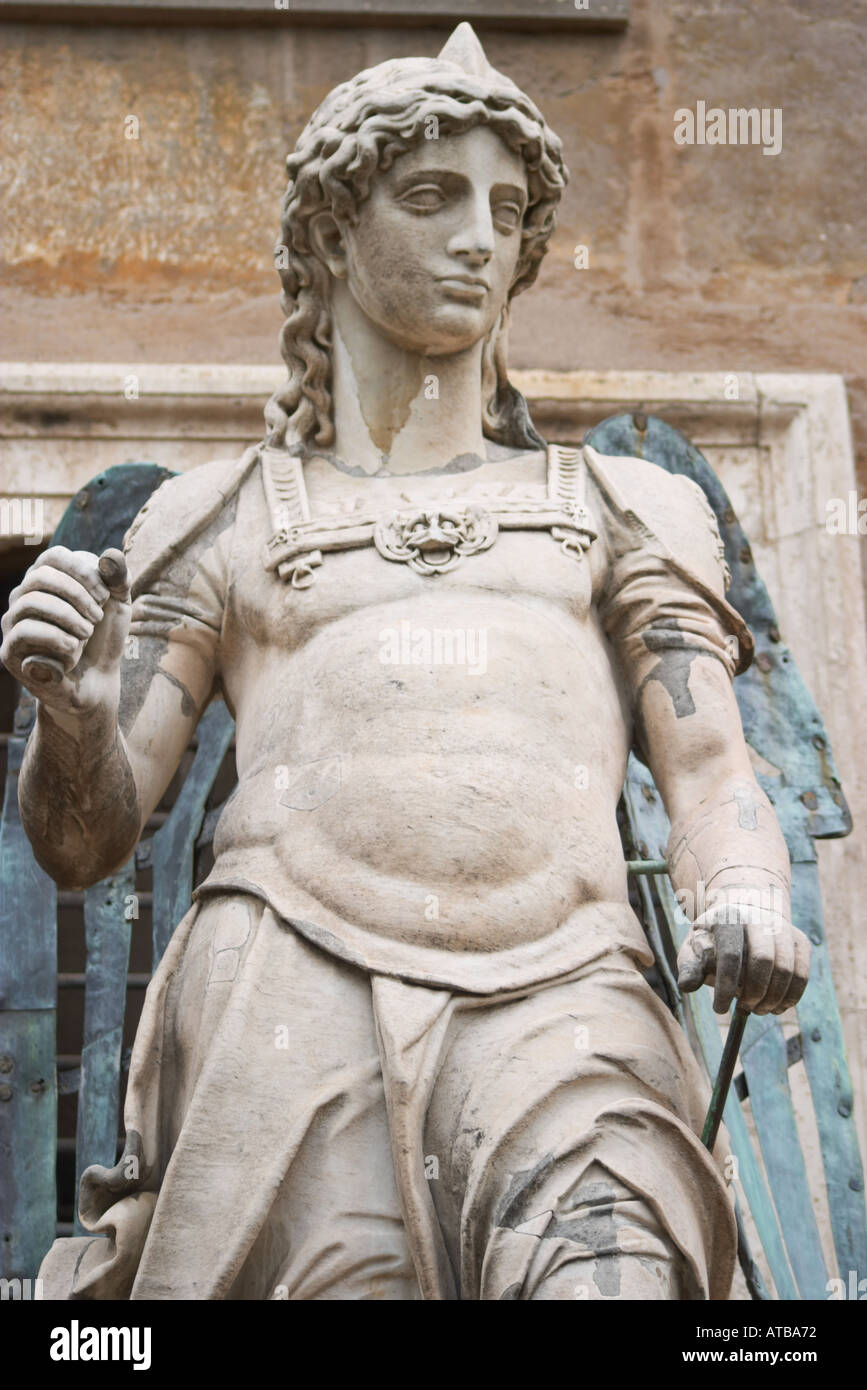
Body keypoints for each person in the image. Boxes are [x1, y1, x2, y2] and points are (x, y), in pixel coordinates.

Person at [1, 25, 808, 1301]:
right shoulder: (219, 520)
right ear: (330, 236)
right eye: (431, 199)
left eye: (503, 210)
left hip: (568, 992)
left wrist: (749, 891)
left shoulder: (622, 505)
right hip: (289, 986)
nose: (478, 239)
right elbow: (83, 840)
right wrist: (77, 716)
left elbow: (711, 770)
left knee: (614, 1273)